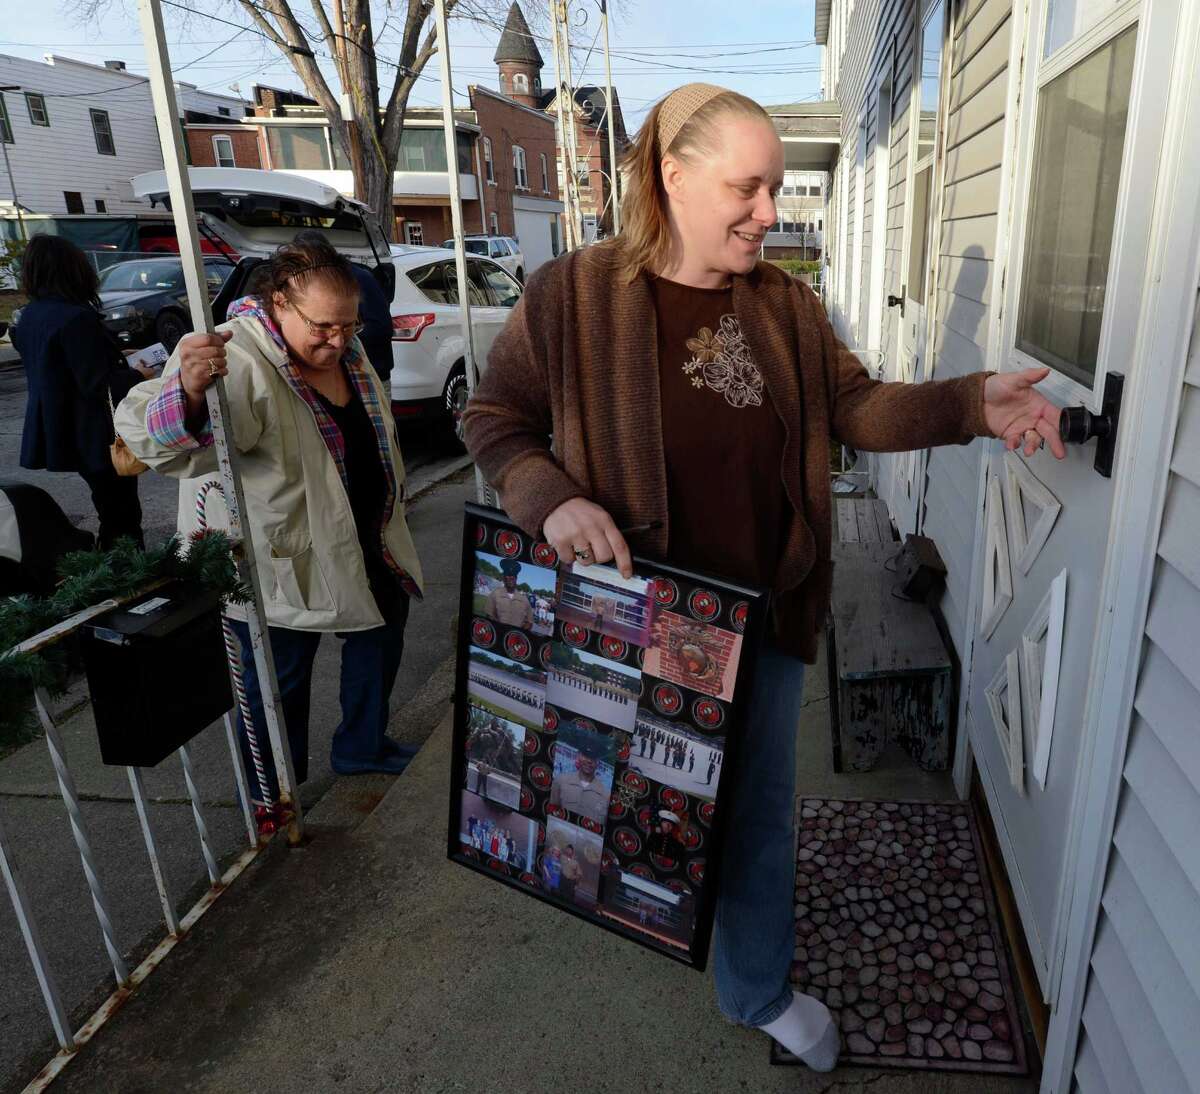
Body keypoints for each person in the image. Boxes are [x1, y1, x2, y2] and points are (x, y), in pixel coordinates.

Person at [462, 83, 1066, 1072]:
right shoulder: (569, 297)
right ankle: (661, 914)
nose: (769, 212)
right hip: (632, 617)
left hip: (764, 612)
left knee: (752, 816)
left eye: (776, 188)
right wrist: (548, 495)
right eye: (748, 188)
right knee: (625, 798)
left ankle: (756, 985)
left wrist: (971, 403)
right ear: (673, 176)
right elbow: (494, 417)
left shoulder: (782, 304)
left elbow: (857, 406)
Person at [116, 237, 424, 832]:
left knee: (380, 637)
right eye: (324, 327)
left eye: (349, 325)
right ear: (279, 300)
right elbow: (166, 442)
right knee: (276, 682)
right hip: (281, 552)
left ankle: (363, 745)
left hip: (367, 534)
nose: (338, 340)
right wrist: (190, 391)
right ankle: (272, 793)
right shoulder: (236, 360)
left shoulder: (348, 352)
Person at [12, 235, 157, 548]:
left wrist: (117, 353)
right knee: (122, 515)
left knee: (110, 507)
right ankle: (127, 581)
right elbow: (97, 383)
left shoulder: (30, 316)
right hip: (92, 432)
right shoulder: (77, 317)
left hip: (61, 428)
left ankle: (116, 573)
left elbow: (60, 367)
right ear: (73, 270)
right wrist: (137, 373)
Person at [293, 230, 393, 384]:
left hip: (370, 374)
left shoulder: (358, 278)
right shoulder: (305, 282)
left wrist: (343, 342)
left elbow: (380, 327)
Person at [549, 739, 610, 824]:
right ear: (579, 756)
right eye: (586, 755)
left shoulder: (606, 796)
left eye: (594, 757)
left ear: (598, 762)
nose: (589, 761)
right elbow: (551, 812)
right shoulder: (560, 781)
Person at [483, 557, 534, 628]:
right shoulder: (495, 594)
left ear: (516, 578)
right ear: (504, 577)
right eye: (508, 574)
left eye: (514, 575)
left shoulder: (524, 600)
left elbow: (529, 622)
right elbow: (489, 616)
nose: (511, 577)